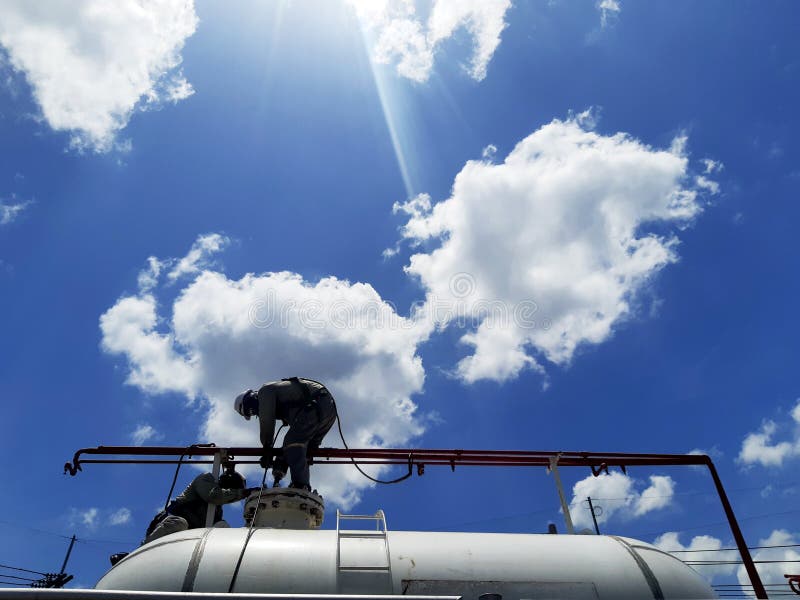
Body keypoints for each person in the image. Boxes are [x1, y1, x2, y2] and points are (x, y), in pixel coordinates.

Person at [234, 377, 337, 491]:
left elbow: (267, 421)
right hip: (326, 412)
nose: (257, 415)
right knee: (302, 449)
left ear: (250, 404)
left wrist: (267, 448)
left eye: (253, 413)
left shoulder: (265, 392)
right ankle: (298, 483)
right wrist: (281, 457)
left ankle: (300, 486)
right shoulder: (281, 396)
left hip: (316, 406)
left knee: (292, 443)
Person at [142, 466, 257, 545]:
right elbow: (213, 495)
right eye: (231, 491)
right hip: (170, 527)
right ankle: (144, 550)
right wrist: (243, 493)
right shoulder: (205, 479)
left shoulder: (215, 511)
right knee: (178, 523)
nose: (231, 495)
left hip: (187, 538)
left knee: (222, 526)